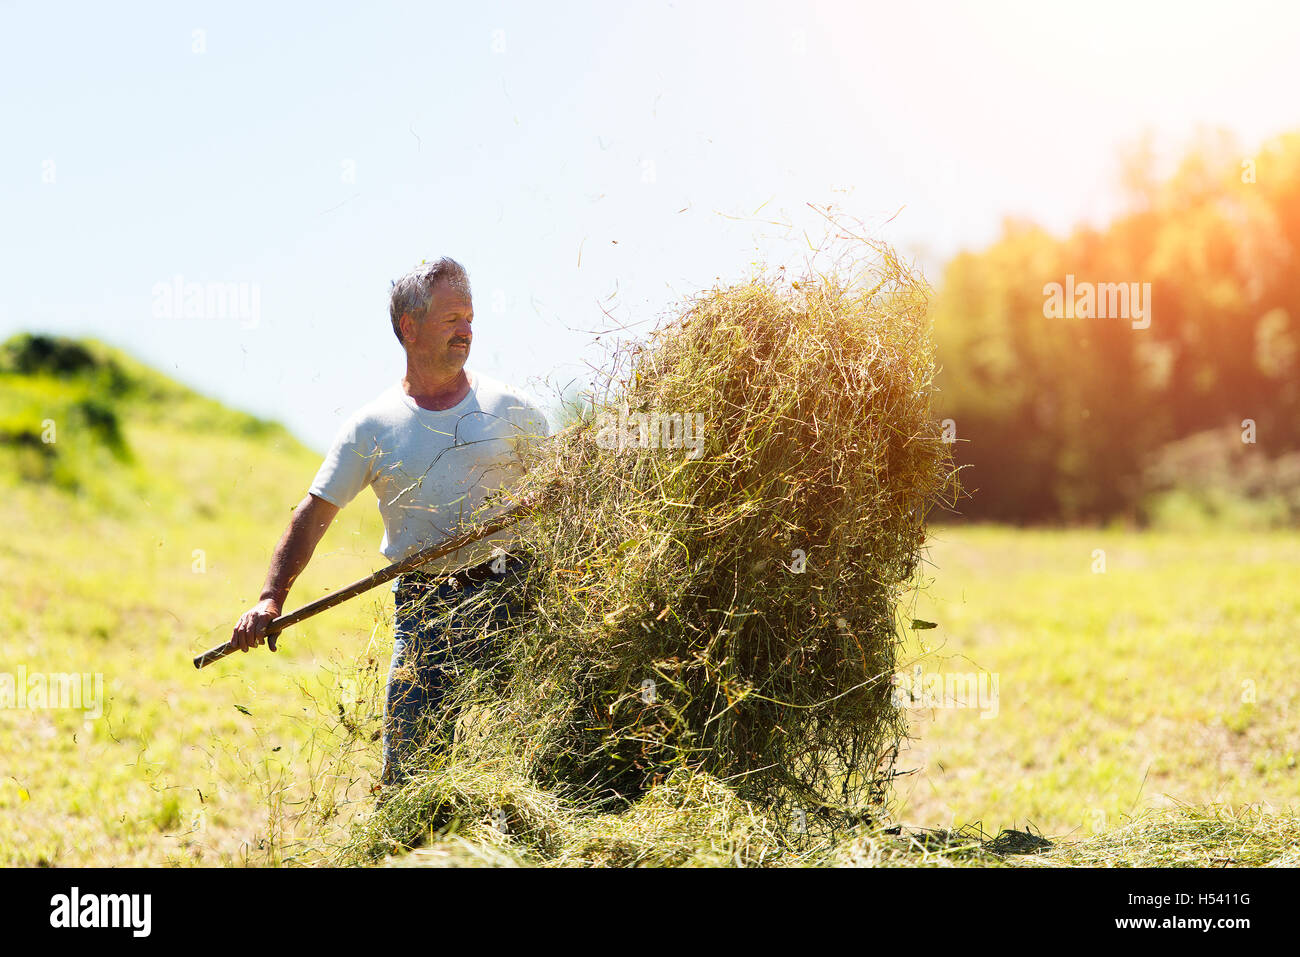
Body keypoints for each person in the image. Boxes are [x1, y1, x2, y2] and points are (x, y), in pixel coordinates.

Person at [227, 257, 549, 785]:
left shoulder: (511, 410)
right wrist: (271, 597)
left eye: (469, 317)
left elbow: (571, 490)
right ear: (409, 326)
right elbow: (312, 516)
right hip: (425, 610)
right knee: (410, 776)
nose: (466, 330)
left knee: (524, 766)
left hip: (515, 601)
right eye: (451, 319)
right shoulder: (373, 427)